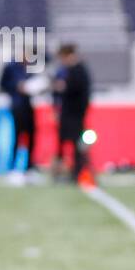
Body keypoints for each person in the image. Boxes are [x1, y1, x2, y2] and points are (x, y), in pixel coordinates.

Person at [51, 43, 92, 183]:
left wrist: (62, 87)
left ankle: (77, 172)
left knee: (76, 145)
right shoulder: (71, 70)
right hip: (69, 114)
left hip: (75, 114)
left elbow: (77, 91)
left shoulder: (78, 70)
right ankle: (61, 172)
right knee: (63, 144)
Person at [0, 49, 38, 175]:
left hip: (28, 105)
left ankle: (29, 166)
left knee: (31, 135)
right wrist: (16, 87)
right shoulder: (11, 67)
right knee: (17, 136)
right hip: (17, 106)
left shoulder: (30, 67)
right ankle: (12, 167)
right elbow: (2, 84)